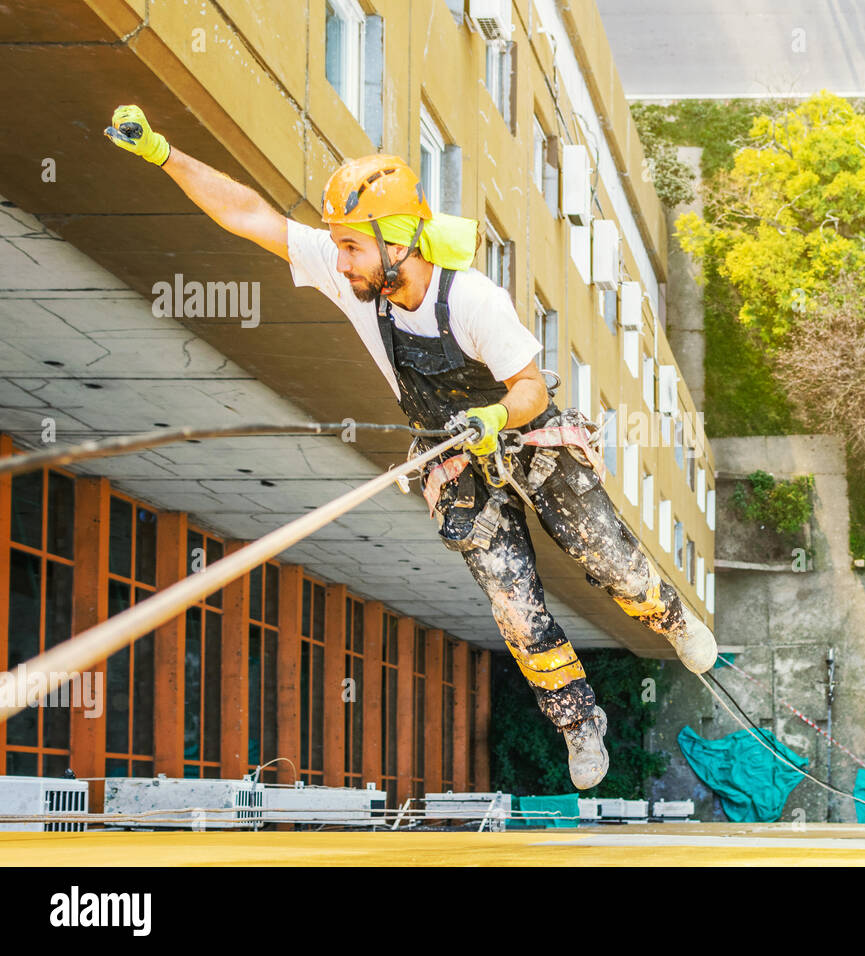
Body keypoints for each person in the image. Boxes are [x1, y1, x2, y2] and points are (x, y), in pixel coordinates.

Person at [105, 105, 717, 789]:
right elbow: (250, 216)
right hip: (454, 463)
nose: (338, 262)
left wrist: (492, 418)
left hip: (528, 446)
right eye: (336, 247)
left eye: (351, 248)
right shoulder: (355, 281)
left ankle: (669, 617)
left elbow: (531, 389)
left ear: (398, 243)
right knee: (515, 608)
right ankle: (578, 721)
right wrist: (164, 154)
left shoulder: (473, 301)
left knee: (611, 562)